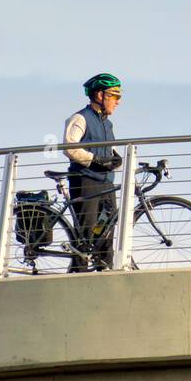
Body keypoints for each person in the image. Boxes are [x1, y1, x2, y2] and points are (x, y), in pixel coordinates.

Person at [63, 73, 124, 271]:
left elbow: (106, 148)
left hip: (106, 182)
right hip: (86, 180)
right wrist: (94, 160)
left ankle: (104, 267)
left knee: (106, 227)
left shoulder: (107, 123)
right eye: (114, 95)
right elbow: (69, 147)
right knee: (86, 229)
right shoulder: (80, 118)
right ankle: (78, 273)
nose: (118, 101)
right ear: (100, 95)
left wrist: (115, 158)